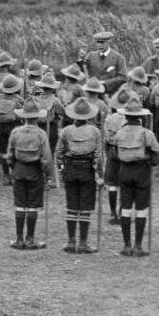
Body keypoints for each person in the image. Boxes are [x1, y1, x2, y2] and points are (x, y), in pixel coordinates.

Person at [113, 97, 159, 257]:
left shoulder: (119, 133)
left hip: (124, 171)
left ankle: (126, 245)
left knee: (126, 207)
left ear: (126, 116)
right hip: (142, 171)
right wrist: (152, 161)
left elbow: (114, 151)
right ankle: (138, 245)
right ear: (140, 116)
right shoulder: (146, 134)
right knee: (141, 208)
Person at [56, 97, 103, 253]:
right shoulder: (95, 131)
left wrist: (62, 171)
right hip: (87, 171)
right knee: (85, 207)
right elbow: (98, 156)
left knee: (71, 206)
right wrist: (100, 176)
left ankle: (70, 242)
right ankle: (83, 243)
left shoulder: (66, 131)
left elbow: (59, 154)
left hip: (70, 170)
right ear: (88, 115)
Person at [5, 101, 55, 250]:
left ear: (23, 116)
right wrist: (49, 176)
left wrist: (14, 168)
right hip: (35, 171)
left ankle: (19, 240)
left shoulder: (15, 132)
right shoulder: (41, 134)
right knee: (33, 204)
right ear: (37, 117)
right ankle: (30, 239)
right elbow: (46, 158)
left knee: (20, 204)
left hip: (19, 170)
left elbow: (9, 155)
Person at [101, 89, 134, 225]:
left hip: (112, 152)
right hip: (126, 153)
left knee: (112, 184)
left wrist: (107, 152)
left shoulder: (110, 118)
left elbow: (105, 138)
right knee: (125, 184)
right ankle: (122, 212)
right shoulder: (131, 118)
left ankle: (112, 213)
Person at [0, 74, 25, 185]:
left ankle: (6, 176)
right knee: (15, 151)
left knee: (3, 151)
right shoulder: (18, 100)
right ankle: (15, 174)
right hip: (14, 127)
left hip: (2, 128)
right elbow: (23, 113)